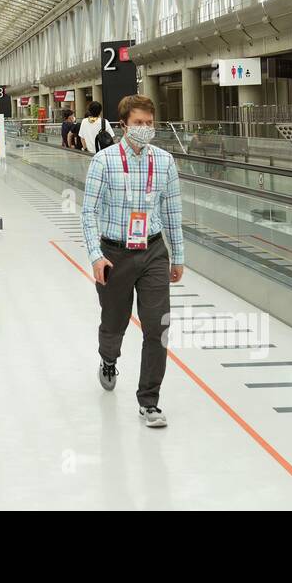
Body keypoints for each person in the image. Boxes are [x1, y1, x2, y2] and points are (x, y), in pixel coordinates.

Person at [81, 94, 184, 428]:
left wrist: (177, 256)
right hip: (115, 253)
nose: (145, 128)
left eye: (149, 123)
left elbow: (172, 211)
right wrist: (96, 256)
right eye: (138, 123)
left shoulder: (164, 161)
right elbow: (88, 212)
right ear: (124, 125)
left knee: (158, 326)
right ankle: (108, 358)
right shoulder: (104, 161)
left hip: (153, 251)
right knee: (114, 322)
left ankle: (149, 401)